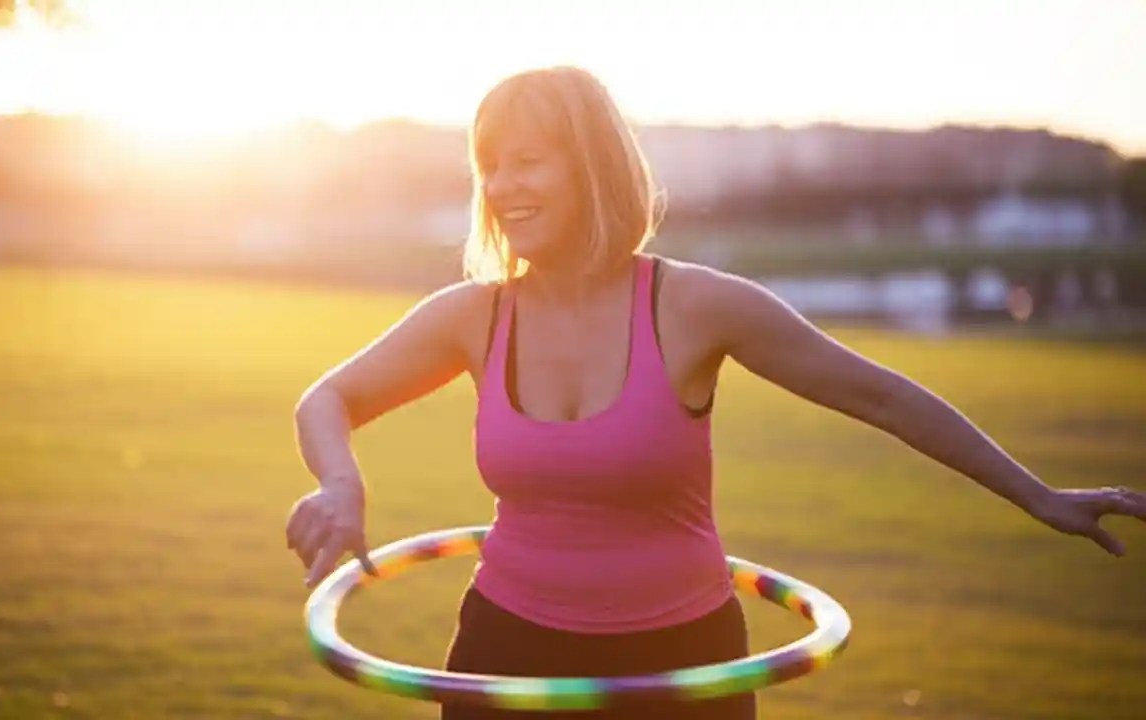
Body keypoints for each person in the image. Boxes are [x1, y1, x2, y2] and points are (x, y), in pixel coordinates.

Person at [286, 66, 1146, 719]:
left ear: (589, 165)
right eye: (489, 167)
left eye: (527, 162)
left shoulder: (697, 308)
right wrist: (341, 483)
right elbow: (326, 400)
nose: (502, 187)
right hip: (504, 650)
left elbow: (879, 396)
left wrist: (1038, 494)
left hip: (683, 659)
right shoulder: (471, 318)